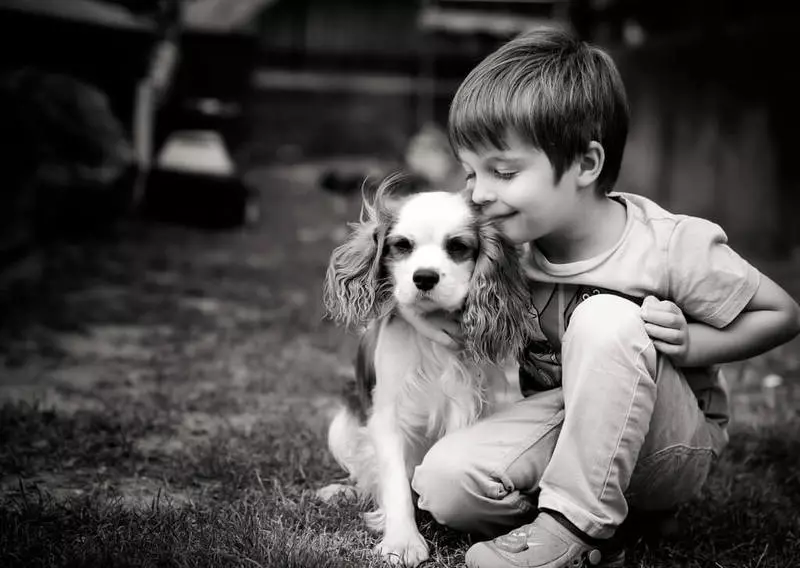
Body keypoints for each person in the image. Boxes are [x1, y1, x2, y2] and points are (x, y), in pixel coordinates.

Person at [408, 25, 800, 568]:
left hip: (668, 444)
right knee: (444, 486)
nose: (478, 192)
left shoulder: (667, 244)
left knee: (607, 319)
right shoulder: (507, 247)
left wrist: (690, 346)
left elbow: (782, 314)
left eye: (501, 171)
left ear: (586, 165)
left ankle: (576, 527)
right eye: (470, 172)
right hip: (567, 424)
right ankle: (615, 522)